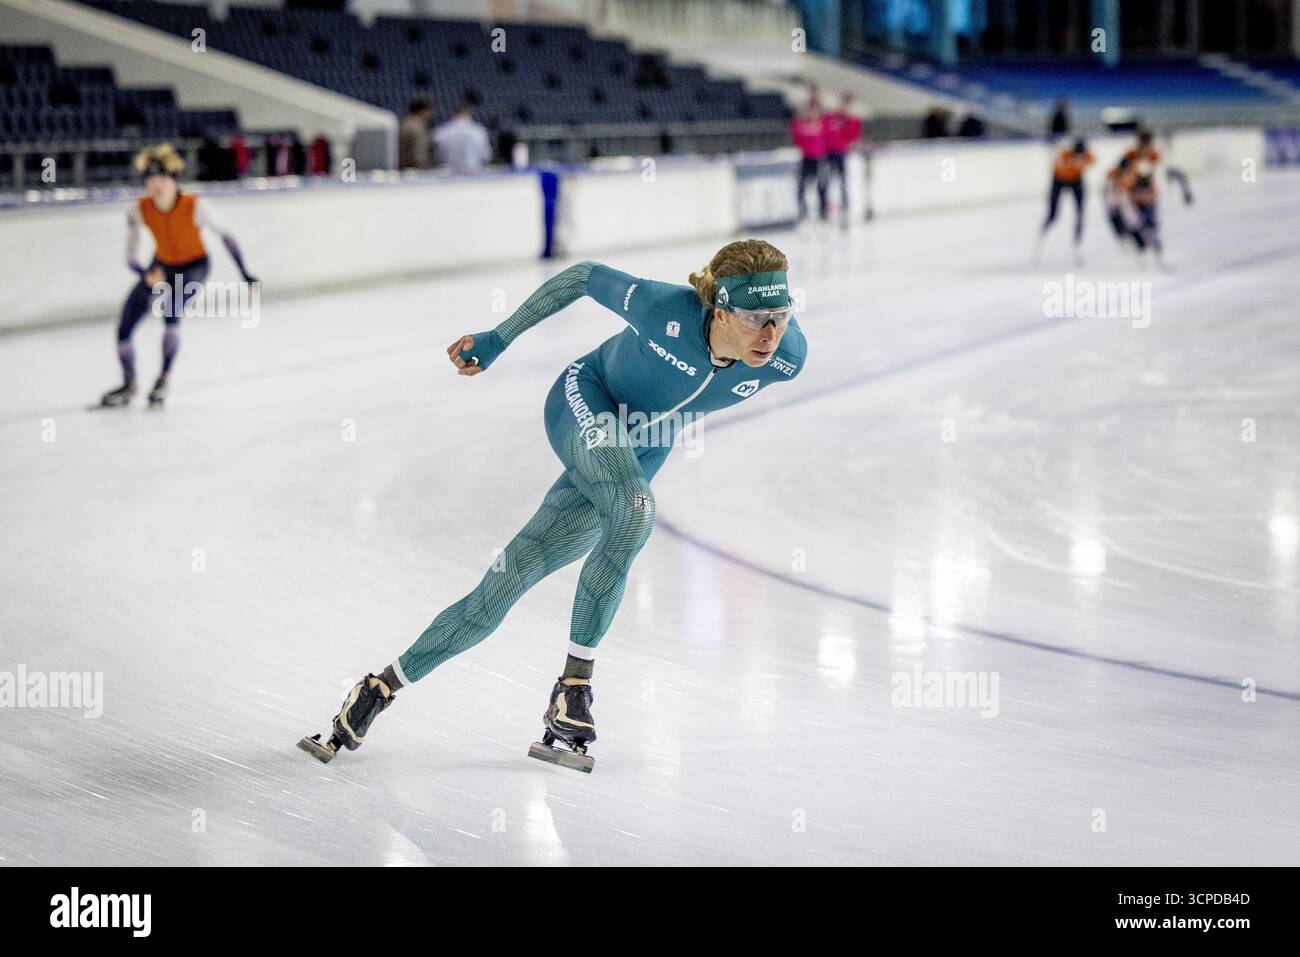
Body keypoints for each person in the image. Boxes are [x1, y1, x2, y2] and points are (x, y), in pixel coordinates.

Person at [299, 239, 809, 771]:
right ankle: (574, 688)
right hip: (586, 398)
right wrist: (499, 337)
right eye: (754, 318)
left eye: (780, 315)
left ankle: (379, 687)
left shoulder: (787, 358)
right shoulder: (664, 310)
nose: (770, 334)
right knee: (635, 507)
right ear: (720, 308)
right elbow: (584, 275)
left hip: (641, 444)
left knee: (509, 577)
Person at [99, 144, 257, 408]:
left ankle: (163, 378)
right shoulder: (139, 209)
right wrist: (146, 273)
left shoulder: (196, 205)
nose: (156, 185)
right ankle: (129, 384)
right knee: (125, 325)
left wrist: (245, 274)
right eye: (150, 180)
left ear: (173, 180)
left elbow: (227, 236)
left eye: (162, 179)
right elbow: (130, 254)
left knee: (171, 311)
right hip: (161, 266)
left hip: (194, 266)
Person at [1036, 138, 1094, 265]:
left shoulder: (1088, 156)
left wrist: (1078, 164)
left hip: (1076, 180)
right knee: (1053, 214)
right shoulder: (1064, 154)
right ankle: (1043, 236)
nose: (1079, 156)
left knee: (1080, 213)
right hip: (1059, 179)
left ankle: (1077, 243)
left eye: (1081, 155)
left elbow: (1090, 162)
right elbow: (1055, 163)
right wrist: (1070, 163)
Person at [822, 93, 863, 226]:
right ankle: (826, 207)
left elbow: (854, 137)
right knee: (827, 181)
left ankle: (845, 207)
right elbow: (823, 131)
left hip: (841, 153)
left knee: (843, 182)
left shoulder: (850, 120)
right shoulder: (830, 117)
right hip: (828, 153)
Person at [789, 99, 828, 225]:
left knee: (821, 186)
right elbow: (796, 138)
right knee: (801, 187)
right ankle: (803, 211)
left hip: (819, 158)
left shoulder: (823, 124)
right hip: (806, 158)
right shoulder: (800, 124)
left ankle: (823, 211)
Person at [433, 102, 492, 175]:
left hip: (450, 176)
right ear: (469, 113)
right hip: (475, 174)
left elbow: (439, 156)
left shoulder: (442, 132)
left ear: (454, 113)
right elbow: (486, 156)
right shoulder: (479, 130)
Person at [398, 97, 433, 170]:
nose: (430, 114)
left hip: (402, 168)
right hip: (413, 171)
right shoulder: (417, 127)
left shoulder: (405, 123)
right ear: (422, 111)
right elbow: (418, 156)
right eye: (428, 111)